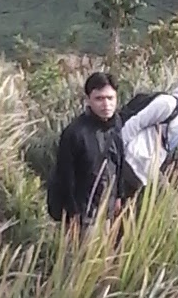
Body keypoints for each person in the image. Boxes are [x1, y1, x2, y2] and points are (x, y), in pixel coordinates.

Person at [116, 70, 178, 203]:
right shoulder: (168, 104)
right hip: (133, 159)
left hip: (149, 168)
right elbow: (134, 123)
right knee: (168, 203)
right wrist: (116, 155)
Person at [46, 71, 124, 228]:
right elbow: (65, 177)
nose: (106, 104)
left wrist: (118, 196)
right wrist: (72, 214)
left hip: (106, 210)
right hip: (83, 215)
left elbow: (120, 161)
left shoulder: (116, 124)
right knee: (81, 253)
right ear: (88, 100)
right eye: (99, 99)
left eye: (110, 98)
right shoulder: (75, 133)